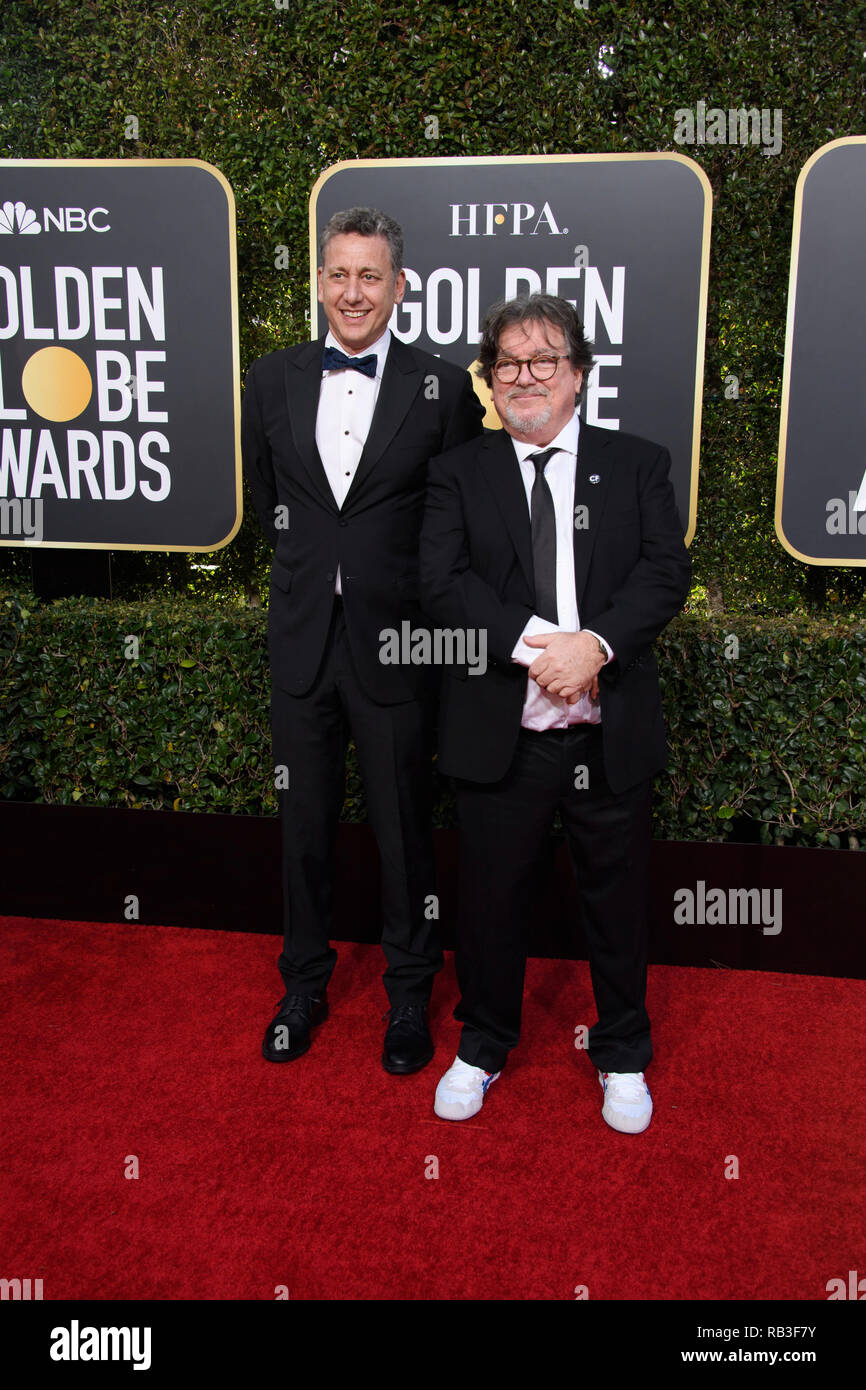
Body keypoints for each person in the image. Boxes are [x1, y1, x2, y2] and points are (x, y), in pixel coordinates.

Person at [419, 292, 691, 1132]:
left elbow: (662, 574)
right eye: (507, 363)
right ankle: (484, 1044)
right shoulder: (459, 472)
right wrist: (546, 646)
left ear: (577, 375)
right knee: (490, 903)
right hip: (504, 731)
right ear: (492, 381)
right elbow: (441, 581)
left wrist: (597, 647)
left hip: (607, 733)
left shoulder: (638, 462)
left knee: (615, 904)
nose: (525, 377)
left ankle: (620, 1055)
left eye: (544, 361)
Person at [242, 207, 484, 1073]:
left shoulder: (445, 389)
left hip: (400, 648)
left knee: (403, 831)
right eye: (339, 274)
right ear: (319, 281)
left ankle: (410, 996)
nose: (353, 291)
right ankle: (302, 984)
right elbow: (273, 499)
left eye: (370, 276)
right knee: (301, 825)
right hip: (303, 639)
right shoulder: (269, 380)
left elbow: (452, 520)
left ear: (398, 287)